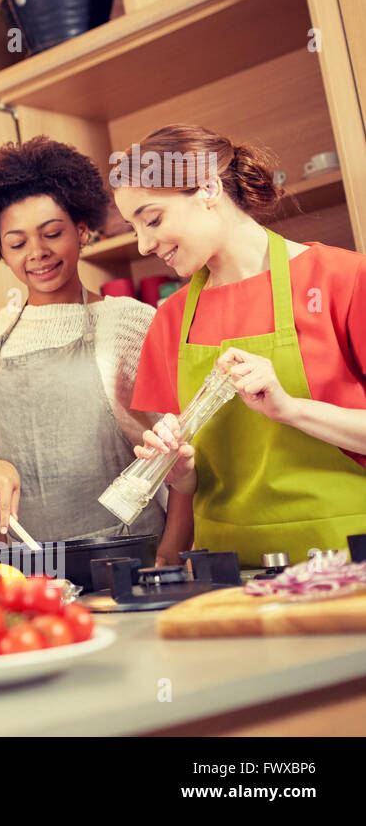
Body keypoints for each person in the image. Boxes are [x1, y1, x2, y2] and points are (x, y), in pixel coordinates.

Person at [112, 124, 366, 565]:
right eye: (134, 228)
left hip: (347, 562)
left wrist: (289, 408)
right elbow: (187, 492)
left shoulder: (344, 279)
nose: (145, 243)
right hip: (226, 572)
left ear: (209, 187)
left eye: (152, 219)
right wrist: (179, 483)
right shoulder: (170, 321)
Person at [0, 137, 189, 565]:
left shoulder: (128, 320)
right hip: (30, 564)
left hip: (131, 553)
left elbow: (179, 456)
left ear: (81, 230)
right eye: (17, 243)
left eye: (52, 234)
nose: (37, 254)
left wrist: (169, 556)